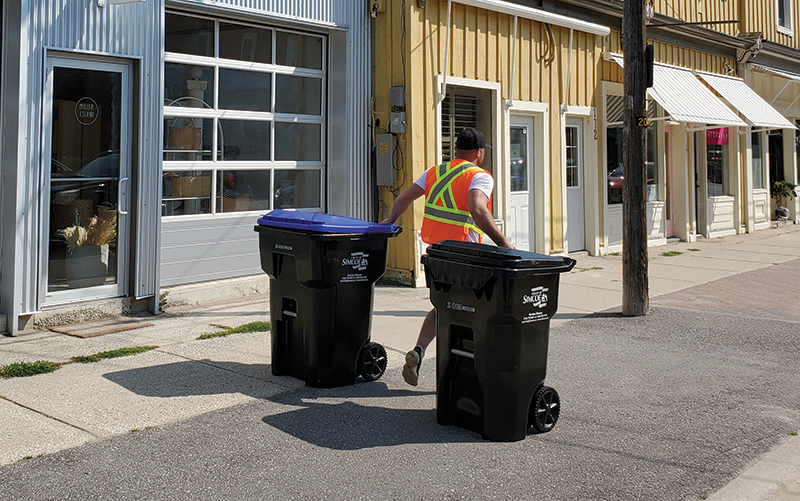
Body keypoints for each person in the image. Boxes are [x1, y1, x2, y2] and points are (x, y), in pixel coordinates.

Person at [381, 128, 514, 386]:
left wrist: (390, 220)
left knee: (444, 304)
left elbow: (405, 198)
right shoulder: (479, 176)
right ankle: (464, 371)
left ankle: (419, 350)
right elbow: (477, 208)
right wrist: (504, 244)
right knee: (472, 308)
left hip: (436, 254)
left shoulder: (435, 172)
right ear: (479, 152)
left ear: (456, 151)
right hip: (464, 254)